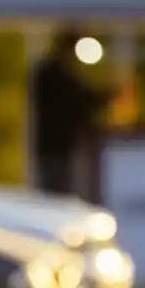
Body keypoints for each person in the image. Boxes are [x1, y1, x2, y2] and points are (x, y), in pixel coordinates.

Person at [32, 30, 115, 199]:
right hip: (58, 147)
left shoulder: (48, 74)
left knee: (55, 192)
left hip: (55, 146)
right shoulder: (56, 76)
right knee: (58, 195)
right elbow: (81, 100)